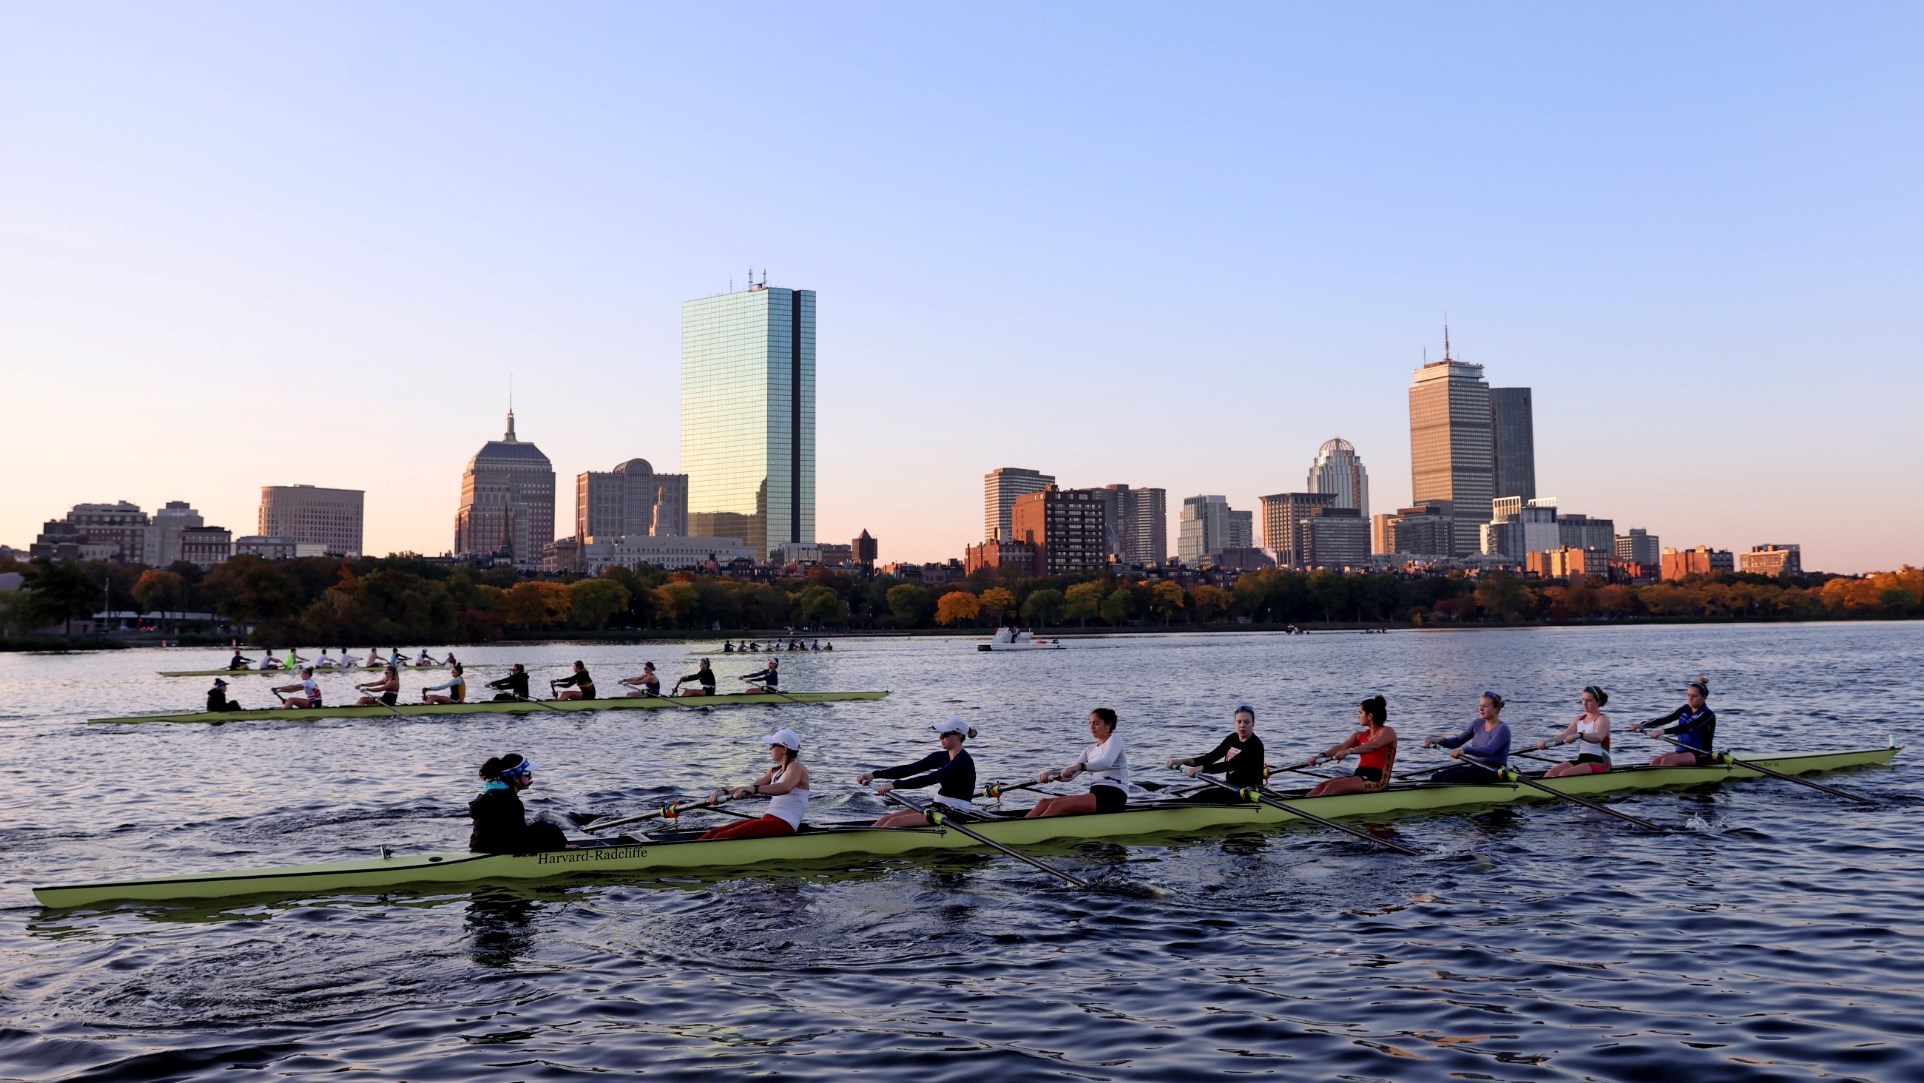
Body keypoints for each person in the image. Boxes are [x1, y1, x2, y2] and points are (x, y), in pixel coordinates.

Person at [861, 718, 981, 827]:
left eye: (945, 734)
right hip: (938, 806)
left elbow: (929, 779)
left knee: (894, 823)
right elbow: (910, 769)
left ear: (958, 736)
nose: (940, 737)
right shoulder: (940, 757)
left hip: (957, 812)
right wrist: (874, 775)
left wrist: (894, 785)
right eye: (940, 734)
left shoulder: (962, 762)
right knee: (886, 819)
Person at [699, 729, 812, 840]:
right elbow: (749, 787)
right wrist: (724, 792)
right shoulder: (775, 771)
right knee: (712, 833)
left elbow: (785, 787)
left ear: (784, 749)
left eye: (772, 746)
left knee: (720, 837)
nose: (769, 749)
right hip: (768, 820)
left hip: (784, 824)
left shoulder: (797, 767)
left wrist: (755, 789)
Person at [1026, 708, 1130, 818]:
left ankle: (1036, 827)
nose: (1091, 727)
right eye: (1090, 723)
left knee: (1057, 805)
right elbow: (1069, 776)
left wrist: (1080, 767)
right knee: (1043, 803)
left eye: (1096, 723)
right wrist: (1050, 774)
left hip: (1114, 795)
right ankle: (1024, 825)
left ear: (1108, 725)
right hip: (1095, 795)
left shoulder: (1115, 740)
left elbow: (1106, 763)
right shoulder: (1089, 750)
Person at [468, 753, 571, 854]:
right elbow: (519, 839)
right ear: (516, 778)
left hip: (478, 847)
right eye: (527, 774)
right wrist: (557, 843)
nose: (530, 777)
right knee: (551, 829)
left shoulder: (486, 795)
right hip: (500, 850)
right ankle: (566, 849)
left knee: (541, 825)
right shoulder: (511, 802)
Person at [1167, 705, 1266, 803]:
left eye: (1246, 722)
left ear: (1253, 723)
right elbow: (1211, 757)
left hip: (1249, 793)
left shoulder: (1255, 745)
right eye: (1239, 722)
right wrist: (1183, 761)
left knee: (1197, 800)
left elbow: (1230, 765)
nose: (1242, 725)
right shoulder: (1232, 738)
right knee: (1197, 797)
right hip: (1231, 788)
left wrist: (1201, 768)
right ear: (1235, 723)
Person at [1306, 695, 1398, 796]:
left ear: (1370, 716)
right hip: (1359, 776)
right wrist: (1320, 756)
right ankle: (1306, 802)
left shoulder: (1387, 731)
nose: (1358, 716)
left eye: (1360, 713)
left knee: (1333, 787)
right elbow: (1342, 747)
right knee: (1322, 786)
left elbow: (1374, 745)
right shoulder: (1359, 735)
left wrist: (1349, 751)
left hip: (1378, 781)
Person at [1422, 692, 1511, 783]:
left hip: (1494, 771)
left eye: (1485, 706)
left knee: (1450, 777)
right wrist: (1439, 740)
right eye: (1480, 705)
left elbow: (1488, 750)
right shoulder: (1478, 723)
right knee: (1437, 776)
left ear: (1496, 708)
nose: (1481, 709)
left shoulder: (1502, 729)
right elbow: (1457, 741)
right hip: (1476, 766)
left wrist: (1464, 750)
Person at [1632, 678, 1717, 766]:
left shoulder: (1707, 715)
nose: (1690, 698)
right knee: (1655, 761)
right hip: (1682, 751)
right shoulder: (1684, 709)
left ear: (1704, 697)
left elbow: (1688, 727)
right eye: (1688, 695)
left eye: (1694, 696)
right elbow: (1665, 719)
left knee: (1666, 762)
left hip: (1701, 754)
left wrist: (1662, 731)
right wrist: (1643, 725)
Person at [1537, 686, 1612, 776]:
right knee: (1550, 774)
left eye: (1589, 700)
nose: (1585, 704)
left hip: (1601, 762)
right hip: (1582, 760)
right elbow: (1564, 736)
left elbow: (1598, 737)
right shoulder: (1578, 719)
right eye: (1583, 700)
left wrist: (1580, 735)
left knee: (1565, 774)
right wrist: (1545, 742)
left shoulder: (1602, 719)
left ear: (1598, 702)